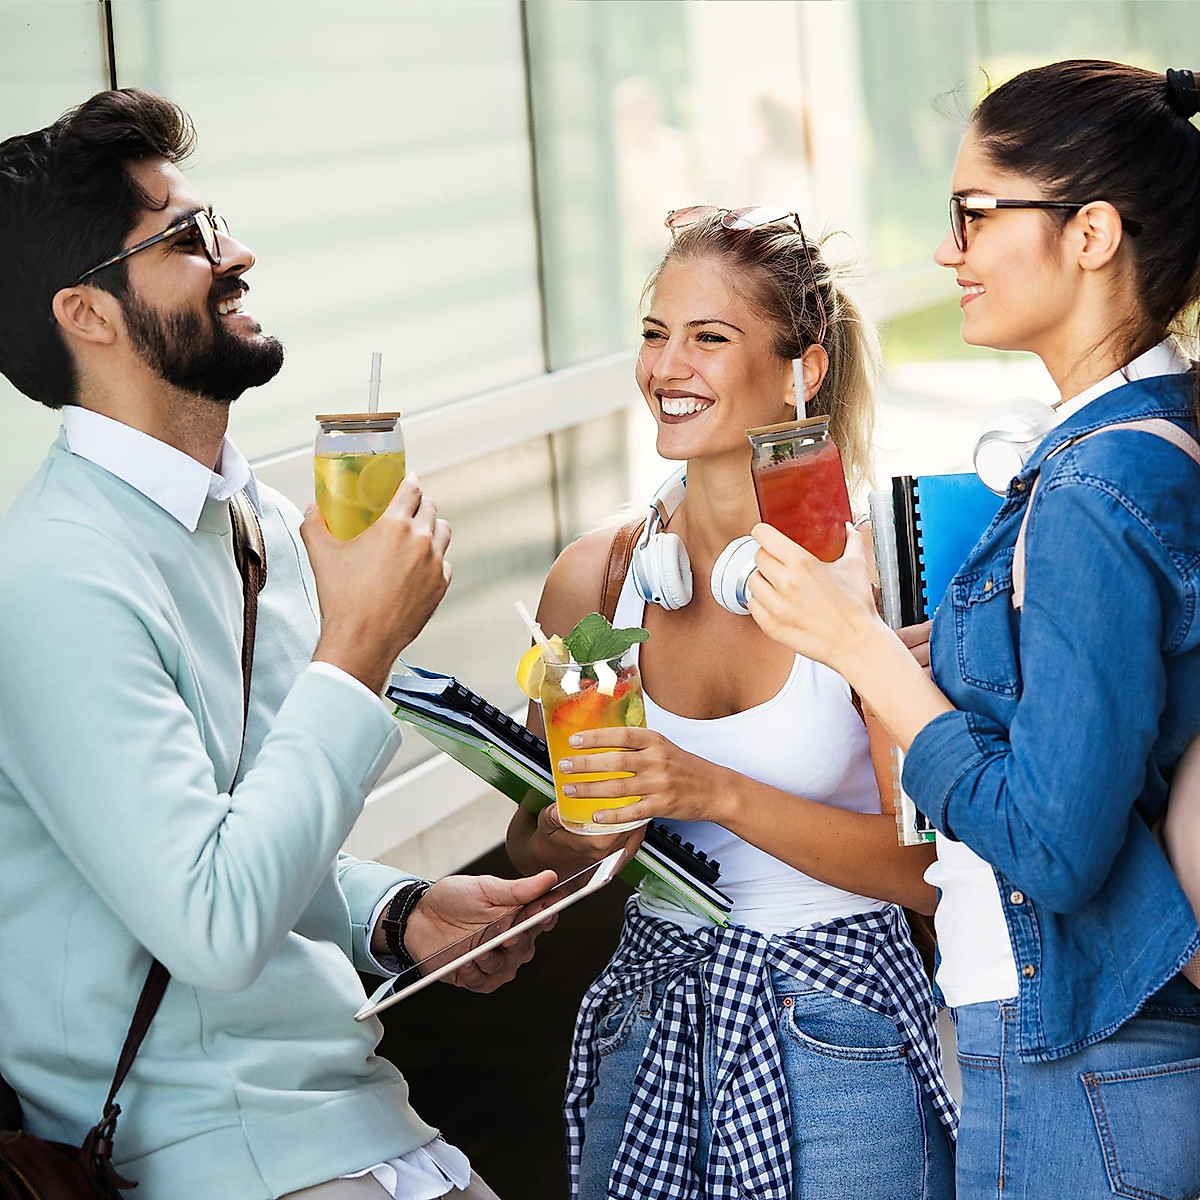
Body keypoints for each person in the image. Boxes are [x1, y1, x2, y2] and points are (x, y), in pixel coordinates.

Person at [0, 88, 559, 1200]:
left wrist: (397, 914)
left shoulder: (243, 521)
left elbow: (232, 840)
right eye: (187, 237)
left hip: (360, 1115)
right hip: (214, 1153)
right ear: (88, 313)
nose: (236, 252)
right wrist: (356, 652)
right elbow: (210, 925)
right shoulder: (54, 579)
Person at [747, 61, 1200, 1199]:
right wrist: (916, 653)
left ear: (1090, 233)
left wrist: (856, 645)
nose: (950, 253)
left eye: (973, 215)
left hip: (1087, 1063)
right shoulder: (1136, 443)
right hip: (1097, 1058)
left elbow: (1052, 842)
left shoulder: (1100, 488)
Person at [507, 207, 956, 1200]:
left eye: (710, 337)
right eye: (655, 332)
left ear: (805, 367)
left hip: (838, 1024)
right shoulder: (598, 580)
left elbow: (931, 876)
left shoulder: (866, 575)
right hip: (650, 1013)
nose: (670, 365)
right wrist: (577, 834)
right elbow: (529, 842)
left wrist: (713, 792)